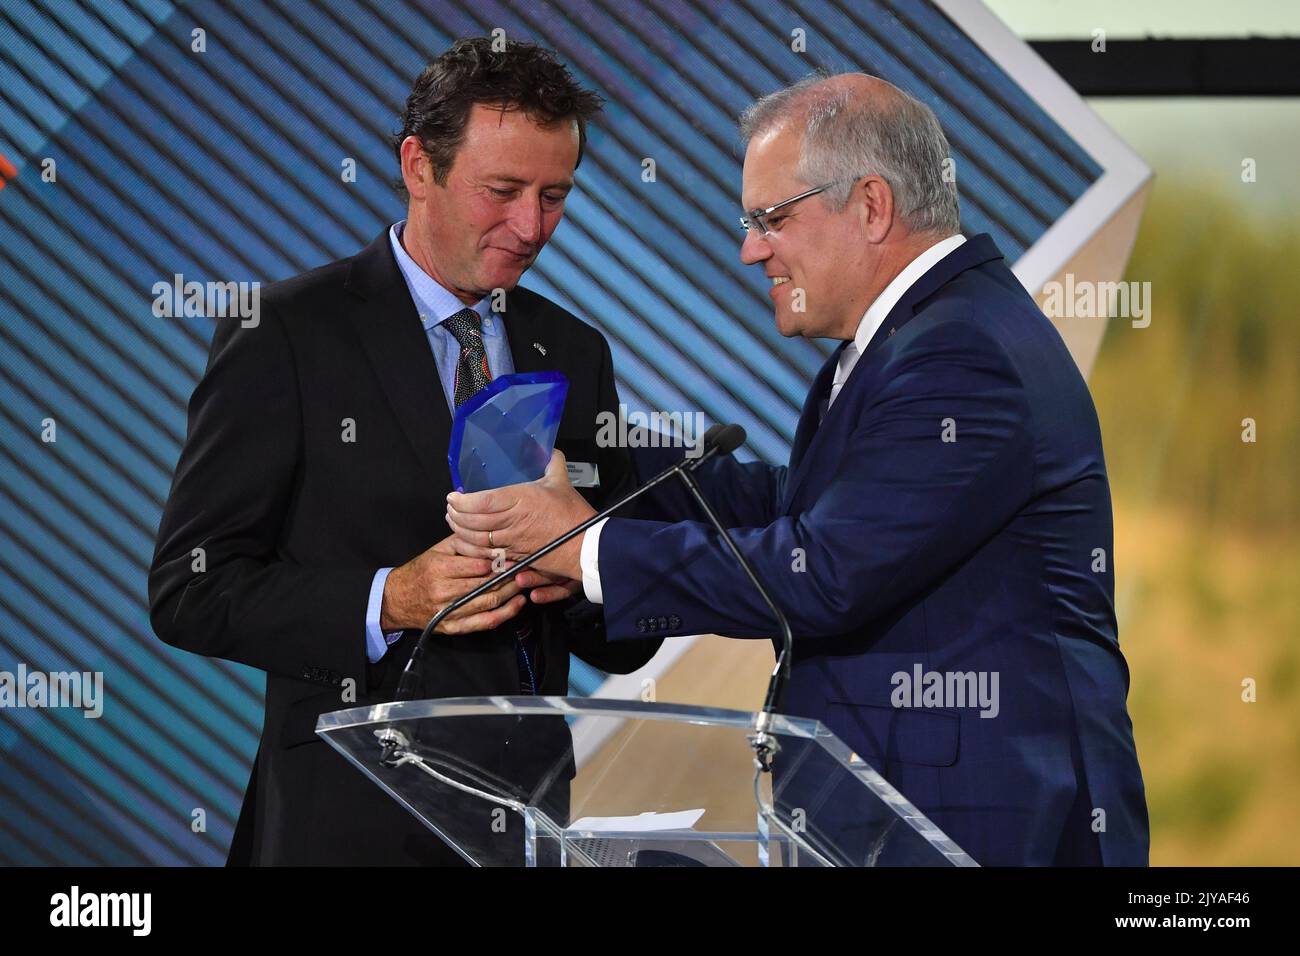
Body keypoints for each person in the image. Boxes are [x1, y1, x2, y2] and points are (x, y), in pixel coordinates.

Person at [445, 73, 1150, 866]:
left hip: (985, 822)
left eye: (771, 218)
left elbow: (827, 569)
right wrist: (600, 466)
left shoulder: (962, 353)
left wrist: (584, 549)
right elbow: (800, 509)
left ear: (872, 205)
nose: (751, 248)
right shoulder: (915, 335)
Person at [149, 37, 660, 866]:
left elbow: (623, 640)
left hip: (525, 824)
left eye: (554, 196)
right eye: (503, 191)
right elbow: (190, 591)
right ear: (419, 165)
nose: (531, 228)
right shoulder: (286, 333)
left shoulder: (574, 349)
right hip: (345, 821)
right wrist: (393, 599)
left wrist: (575, 565)